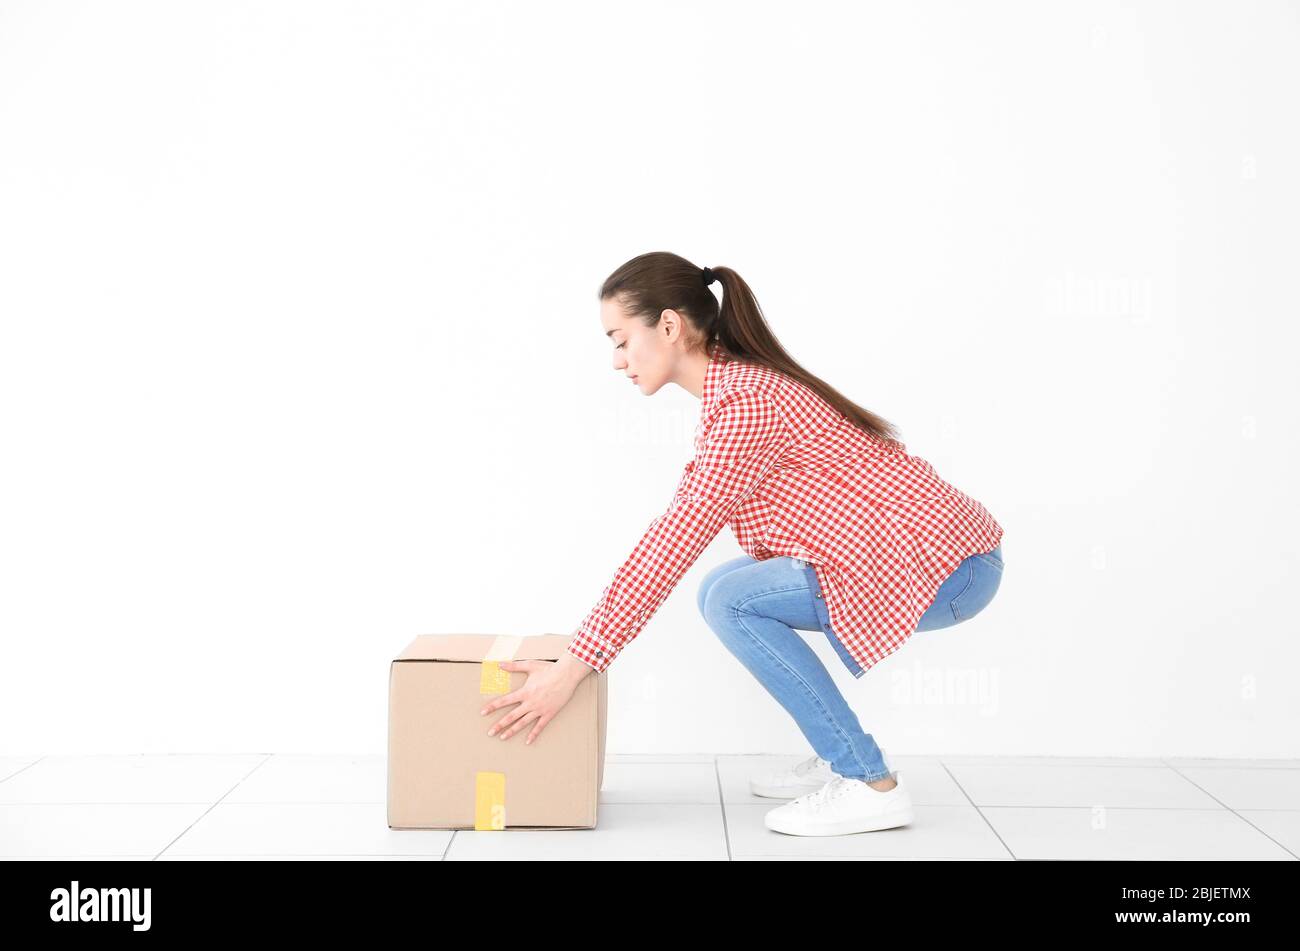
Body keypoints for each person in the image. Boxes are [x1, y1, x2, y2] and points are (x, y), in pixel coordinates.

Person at [479, 251, 1005, 836]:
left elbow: (673, 540)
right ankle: (840, 752)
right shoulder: (734, 385)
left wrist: (577, 664)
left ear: (671, 326)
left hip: (947, 568)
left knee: (732, 601)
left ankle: (867, 782)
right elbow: (684, 525)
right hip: (926, 554)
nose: (616, 361)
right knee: (722, 588)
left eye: (621, 339)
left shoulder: (745, 402)